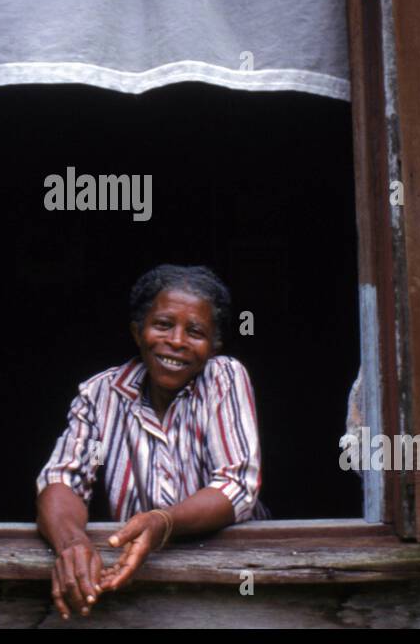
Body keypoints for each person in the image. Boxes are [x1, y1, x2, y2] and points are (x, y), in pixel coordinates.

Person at [35, 264, 267, 620]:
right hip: (136, 583)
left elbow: (236, 484)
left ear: (214, 344)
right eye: (162, 325)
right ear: (137, 331)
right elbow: (64, 479)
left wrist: (164, 522)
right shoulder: (101, 394)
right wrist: (72, 544)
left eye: (195, 331)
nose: (176, 340)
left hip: (229, 580)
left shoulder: (222, 379)